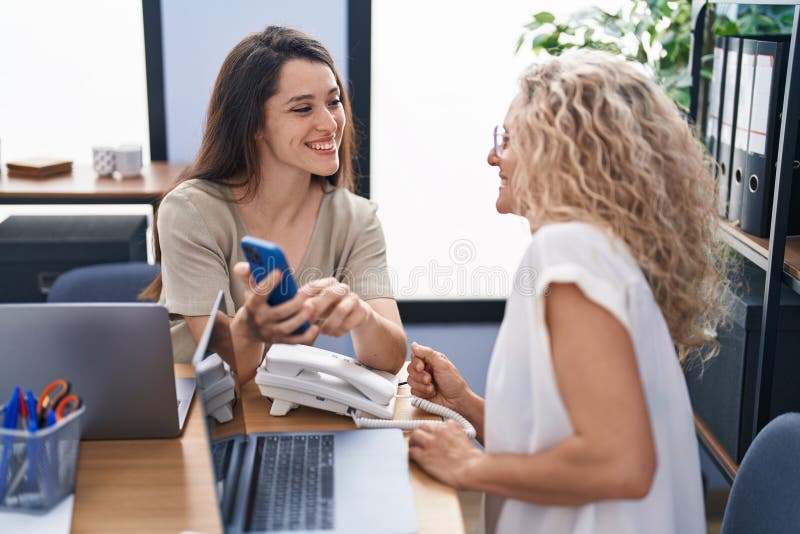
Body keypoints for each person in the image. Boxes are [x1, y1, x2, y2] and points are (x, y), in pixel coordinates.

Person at [406, 50, 727, 534]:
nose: (492, 156)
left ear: (560, 148)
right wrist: (466, 405)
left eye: (508, 140)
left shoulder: (568, 253)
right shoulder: (598, 252)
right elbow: (569, 439)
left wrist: (469, 467)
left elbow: (620, 463)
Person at [140, 26, 406, 379]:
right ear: (255, 124)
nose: (329, 123)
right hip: (185, 413)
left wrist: (362, 316)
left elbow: (391, 357)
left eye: (333, 101)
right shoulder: (189, 211)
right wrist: (250, 328)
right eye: (302, 109)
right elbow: (227, 369)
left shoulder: (356, 218)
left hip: (268, 409)